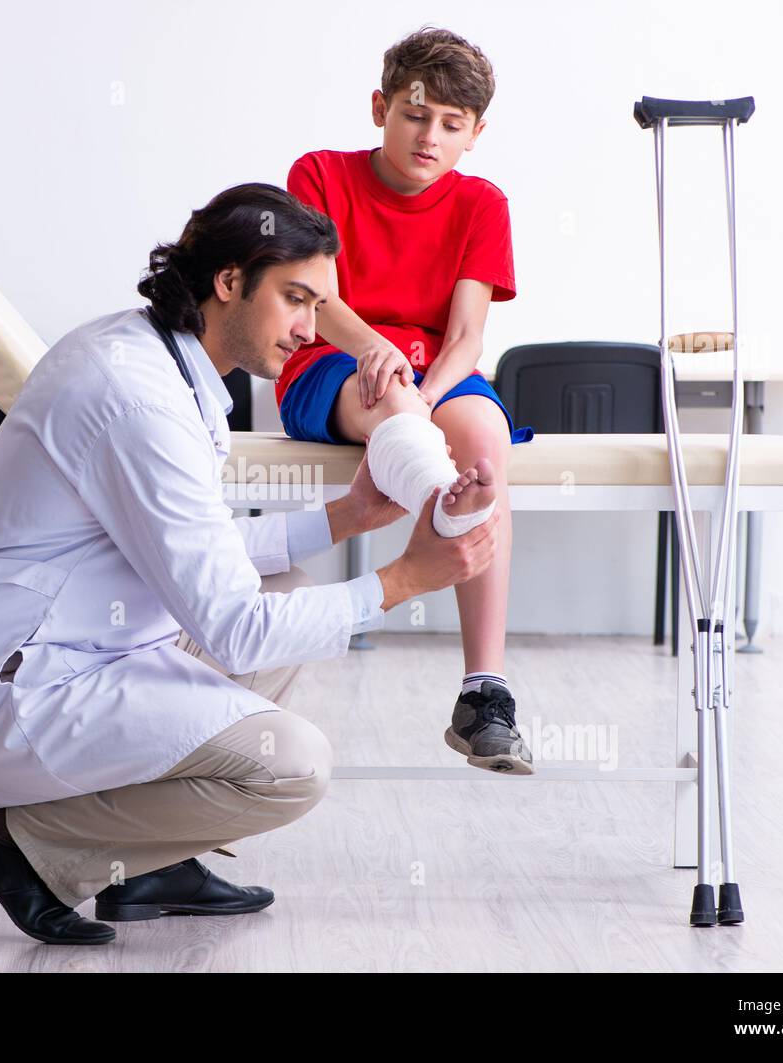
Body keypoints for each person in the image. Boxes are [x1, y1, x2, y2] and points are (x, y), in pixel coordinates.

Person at [0, 183, 500, 945]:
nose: (309, 329)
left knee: (287, 584)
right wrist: (404, 580)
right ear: (229, 282)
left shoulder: (155, 358)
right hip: (14, 684)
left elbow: (199, 550)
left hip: (78, 640)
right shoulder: (139, 401)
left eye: (319, 307)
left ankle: (151, 862)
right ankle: (21, 838)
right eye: (296, 299)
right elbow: (233, 629)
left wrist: (347, 516)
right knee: (293, 763)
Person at [274, 26, 536, 775]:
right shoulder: (319, 174)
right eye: (416, 115)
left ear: (474, 134)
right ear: (380, 106)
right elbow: (311, 299)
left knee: (484, 433)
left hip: (432, 378)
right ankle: (438, 498)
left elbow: (465, 339)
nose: (430, 136)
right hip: (331, 363)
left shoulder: (481, 203)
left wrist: (423, 398)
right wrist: (375, 356)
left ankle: (485, 691)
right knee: (388, 393)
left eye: (452, 125)